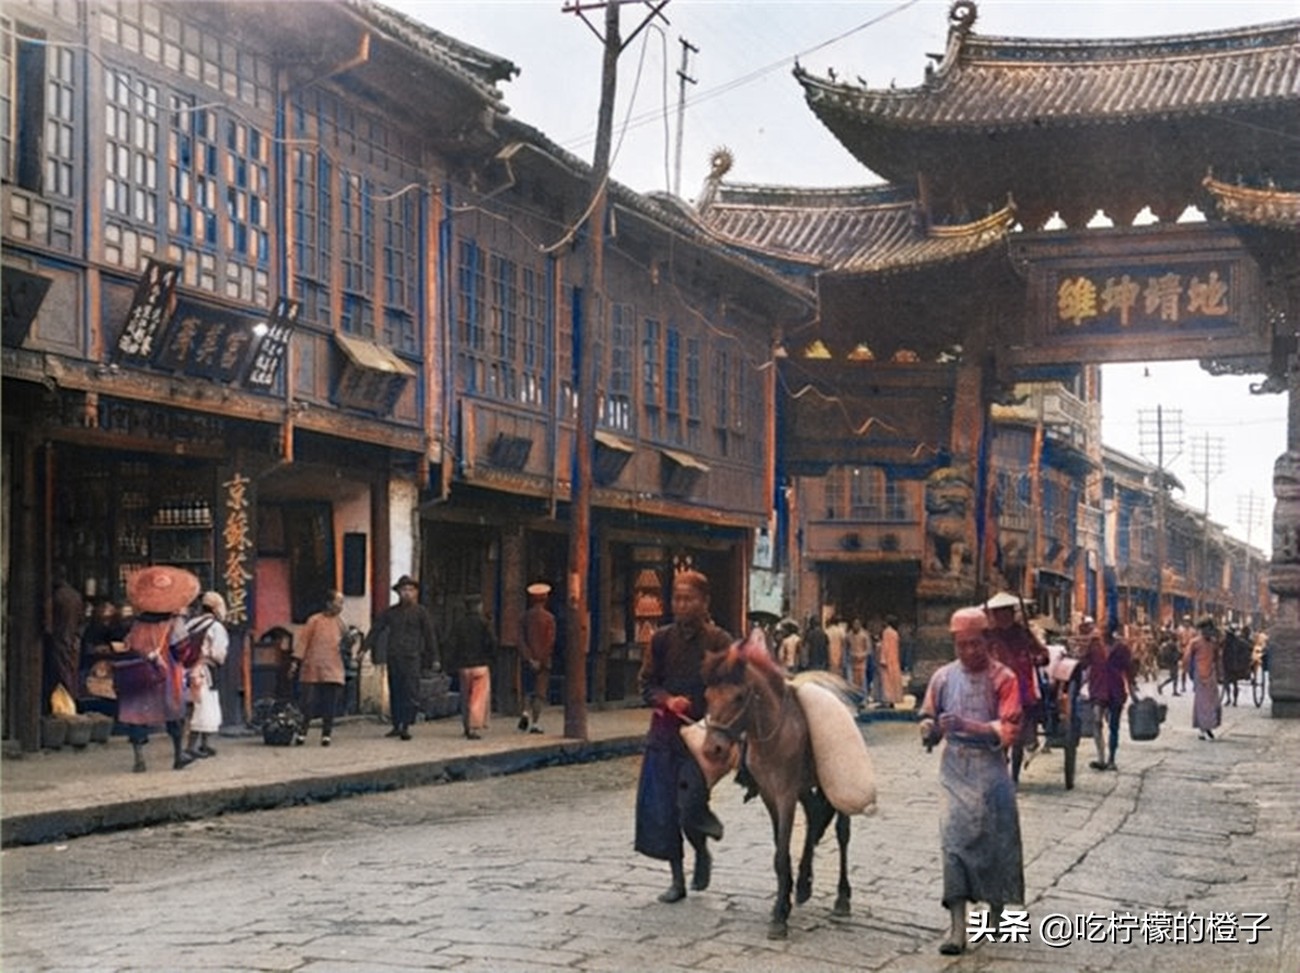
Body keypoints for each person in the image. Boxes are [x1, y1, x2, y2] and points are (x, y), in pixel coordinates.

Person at [918, 606, 1025, 956]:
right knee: (953, 845)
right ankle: (958, 929)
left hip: (991, 770)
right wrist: (930, 730)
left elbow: (1009, 729)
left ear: (988, 641)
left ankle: (995, 915)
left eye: (975, 644)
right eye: (962, 645)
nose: (969, 652)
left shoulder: (1004, 679)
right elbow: (928, 718)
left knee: (995, 842)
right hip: (954, 770)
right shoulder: (943, 678)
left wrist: (971, 726)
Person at [634, 569, 731, 904]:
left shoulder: (719, 641)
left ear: (704, 602)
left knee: (690, 805)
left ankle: (701, 848)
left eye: (689, 598)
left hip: (702, 736)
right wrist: (666, 700)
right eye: (677, 598)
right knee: (664, 811)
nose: (681, 604)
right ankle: (677, 878)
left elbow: (732, 685)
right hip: (665, 735)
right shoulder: (661, 640)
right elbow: (647, 683)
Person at [117, 565, 201, 772]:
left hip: (139, 673)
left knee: (137, 716)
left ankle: (139, 760)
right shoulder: (174, 623)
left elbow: (130, 645)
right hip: (165, 675)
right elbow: (182, 650)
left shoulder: (137, 623)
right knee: (175, 714)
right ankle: (178, 755)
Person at [983, 592, 1049, 783]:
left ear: (1011, 614)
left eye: (1005, 613)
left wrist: (1039, 658)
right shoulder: (990, 636)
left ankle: (1014, 777)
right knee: (998, 734)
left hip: (1021, 688)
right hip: (997, 688)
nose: (1001, 617)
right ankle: (1001, 766)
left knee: (1018, 738)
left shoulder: (1023, 633)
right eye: (997, 614)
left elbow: (1042, 653)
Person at [363, 575, 438, 741]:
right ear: (398, 593)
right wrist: (364, 648)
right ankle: (396, 725)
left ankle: (406, 725)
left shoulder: (421, 613)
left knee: (410, 691)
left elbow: (429, 635)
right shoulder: (391, 613)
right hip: (394, 656)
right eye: (404, 590)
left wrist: (434, 658)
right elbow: (377, 629)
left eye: (410, 590)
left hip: (412, 657)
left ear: (416, 593)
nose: (407, 593)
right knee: (395, 690)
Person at [292, 589, 349, 746]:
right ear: (329, 603)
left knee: (330, 703)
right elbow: (303, 641)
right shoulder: (314, 620)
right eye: (338, 602)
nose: (340, 606)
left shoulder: (340, 622)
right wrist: (296, 661)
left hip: (333, 666)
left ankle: (326, 734)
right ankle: (302, 732)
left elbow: (346, 643)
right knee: (308, 703)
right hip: (313, 666)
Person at [1083, 617, 1136, 771]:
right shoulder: (1093, 645)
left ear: (1112, 631)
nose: (1103, 631)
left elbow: (1128, 671)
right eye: (1102, 628)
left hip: (1115, 689)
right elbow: (1084, 663)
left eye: (1106, 628)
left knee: (1114, 726)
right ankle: (1101, 757)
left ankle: (1111, 758)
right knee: (1096, 720)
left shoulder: (1122, 648)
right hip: (1098, 688)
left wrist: (1132, 693)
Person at [183, 591, 229, 759]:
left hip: (187, 670)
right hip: (204, 670)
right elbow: (218, 653)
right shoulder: (216, 627)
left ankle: (203, 744)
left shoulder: (191, 624)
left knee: (197, 706)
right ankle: (192, 746)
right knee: (204, 706)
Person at [446, 594, 498, 740]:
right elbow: (492, 642)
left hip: (464, 665)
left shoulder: (459, 624)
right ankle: (474, 727)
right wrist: (492, 659)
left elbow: (451, 644)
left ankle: (465, 725)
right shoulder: (484, 623)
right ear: (479, 606)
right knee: (478, 698)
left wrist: (450, 662)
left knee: (465, 696)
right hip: (480, 664)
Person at [518, 583, 556, 734]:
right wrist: (541, 659)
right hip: (543, 662)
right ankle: (535, 723)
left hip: (527, 661)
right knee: (540, 693)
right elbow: (550, 641)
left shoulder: (524, 617)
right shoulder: (549, 618)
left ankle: (524, 713)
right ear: (545, 599)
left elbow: (520, 639)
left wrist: (529, 658)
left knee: (527, 690)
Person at [1186, 617, 1223, 741]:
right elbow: (1187, 658)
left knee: (1212, 702)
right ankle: (1204, 729)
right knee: (1202, 703)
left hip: (1211, 675)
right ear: (1202, 630)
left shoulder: (1213, 643)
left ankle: (1207, 728)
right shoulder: (1195, 643)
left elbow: (1217, 659)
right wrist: (1190, 673)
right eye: (1206, 629)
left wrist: (1219, 673)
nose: (1208, 632)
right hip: (1199, 674)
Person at [877, 614, 904, 708]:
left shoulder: (887, 632)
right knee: (893, 681)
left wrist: (883, 659)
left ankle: (886, 700)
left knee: (886, 682)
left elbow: (885, 646)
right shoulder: (895, 633)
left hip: (887, 660)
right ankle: (892, 700)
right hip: (894, 659)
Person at [847, 617, 871, 696]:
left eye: (857, 624)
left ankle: (863, 697)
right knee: (853, 681)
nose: (855, 626)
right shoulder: (849, 635)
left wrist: (862, 655)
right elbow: (846, 648)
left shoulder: (864, 635)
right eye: (854, 624)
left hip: (862, 661)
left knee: (862, 680)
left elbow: (869, 649)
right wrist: (850, 655)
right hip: (852, 661)